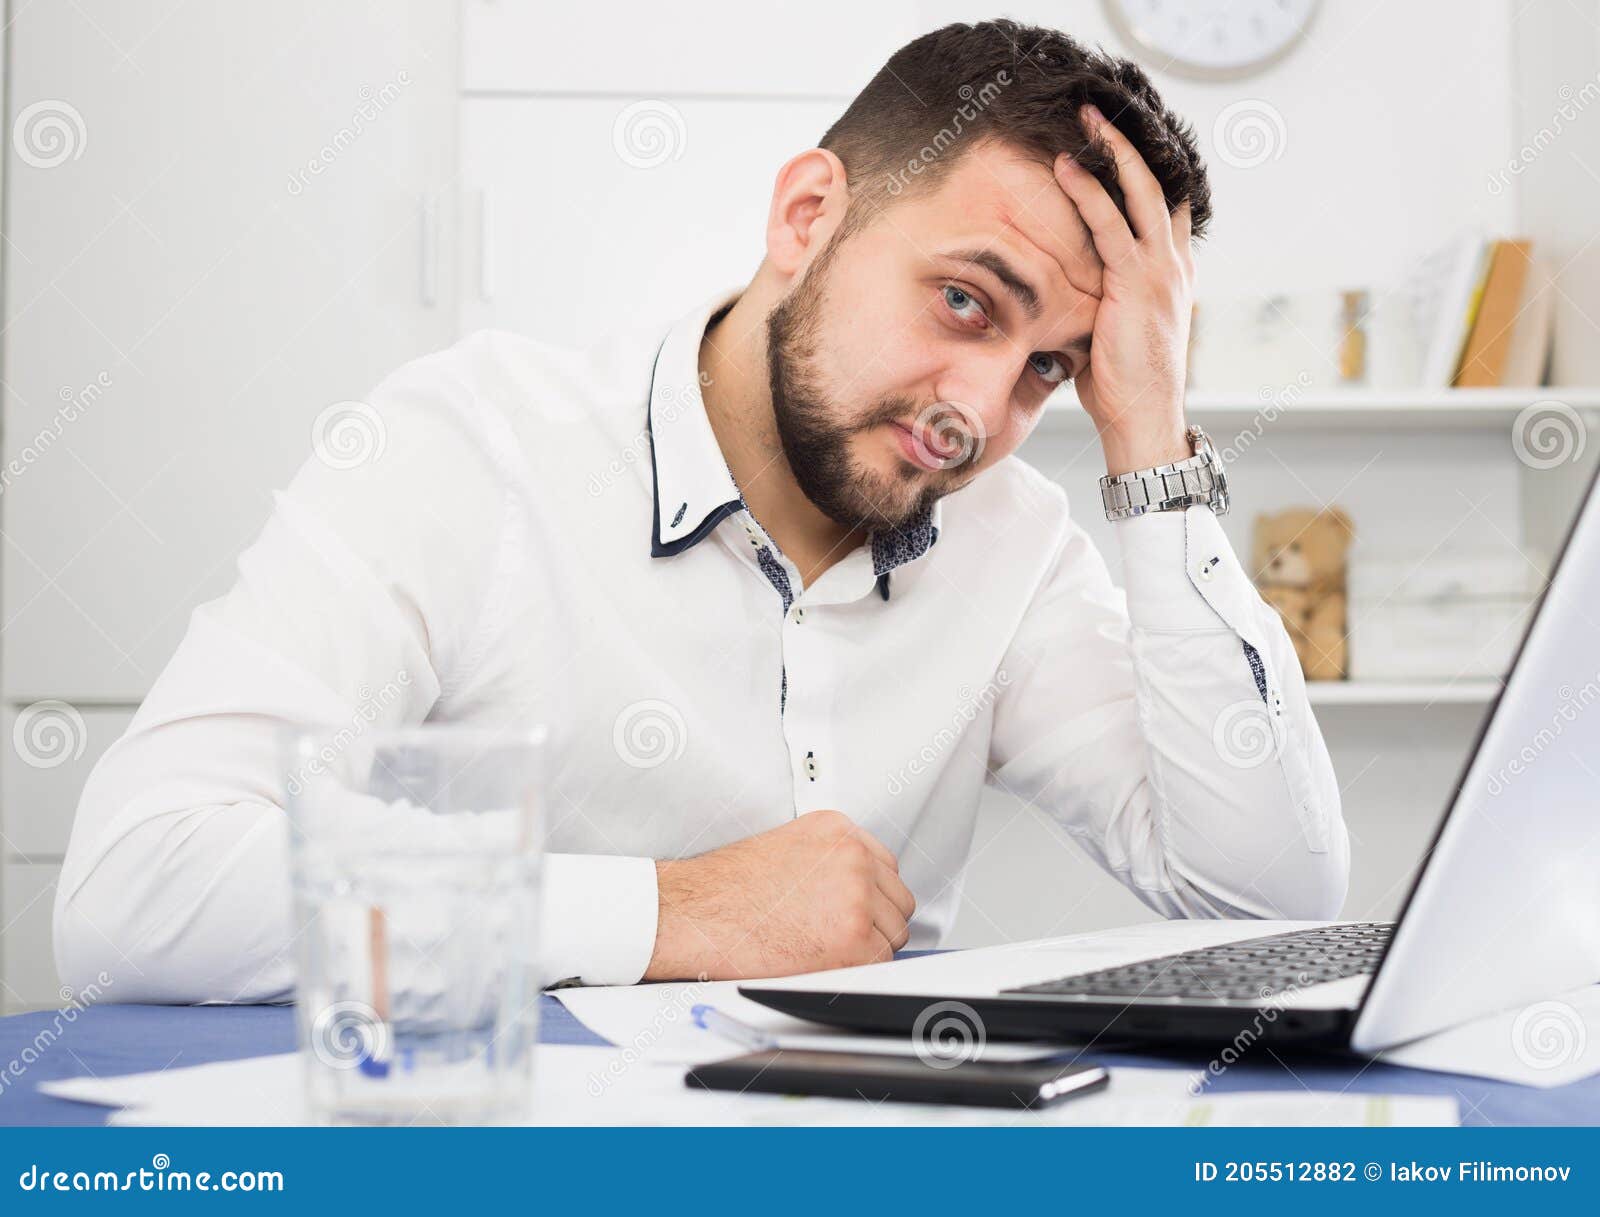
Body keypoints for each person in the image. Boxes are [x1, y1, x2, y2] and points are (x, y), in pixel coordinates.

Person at [55, 19, 1347, 1002]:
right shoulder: (468, 449)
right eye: (967, 301)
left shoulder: (1014, 548)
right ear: (806, 217)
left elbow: (1271, 908)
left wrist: (1152, 440)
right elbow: (138, 883)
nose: (979, 408)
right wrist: (666, 913)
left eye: (1051, 367)